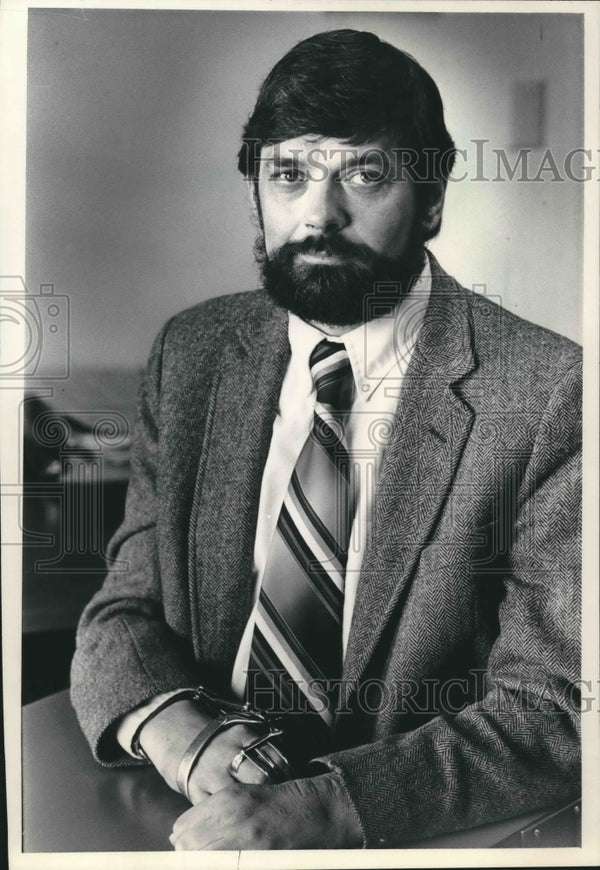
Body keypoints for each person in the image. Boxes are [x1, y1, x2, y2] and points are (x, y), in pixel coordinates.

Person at [70, 29, 581, 850]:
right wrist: (181, 735)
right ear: (256, 197)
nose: (319, 213)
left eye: (366, 174)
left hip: (415, 837)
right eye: (290, 174)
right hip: (183, 815)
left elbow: (555, 706)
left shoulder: (552, 391)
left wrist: (329, 807)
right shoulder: (193, 354)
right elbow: (123, 608)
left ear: (433, 198)